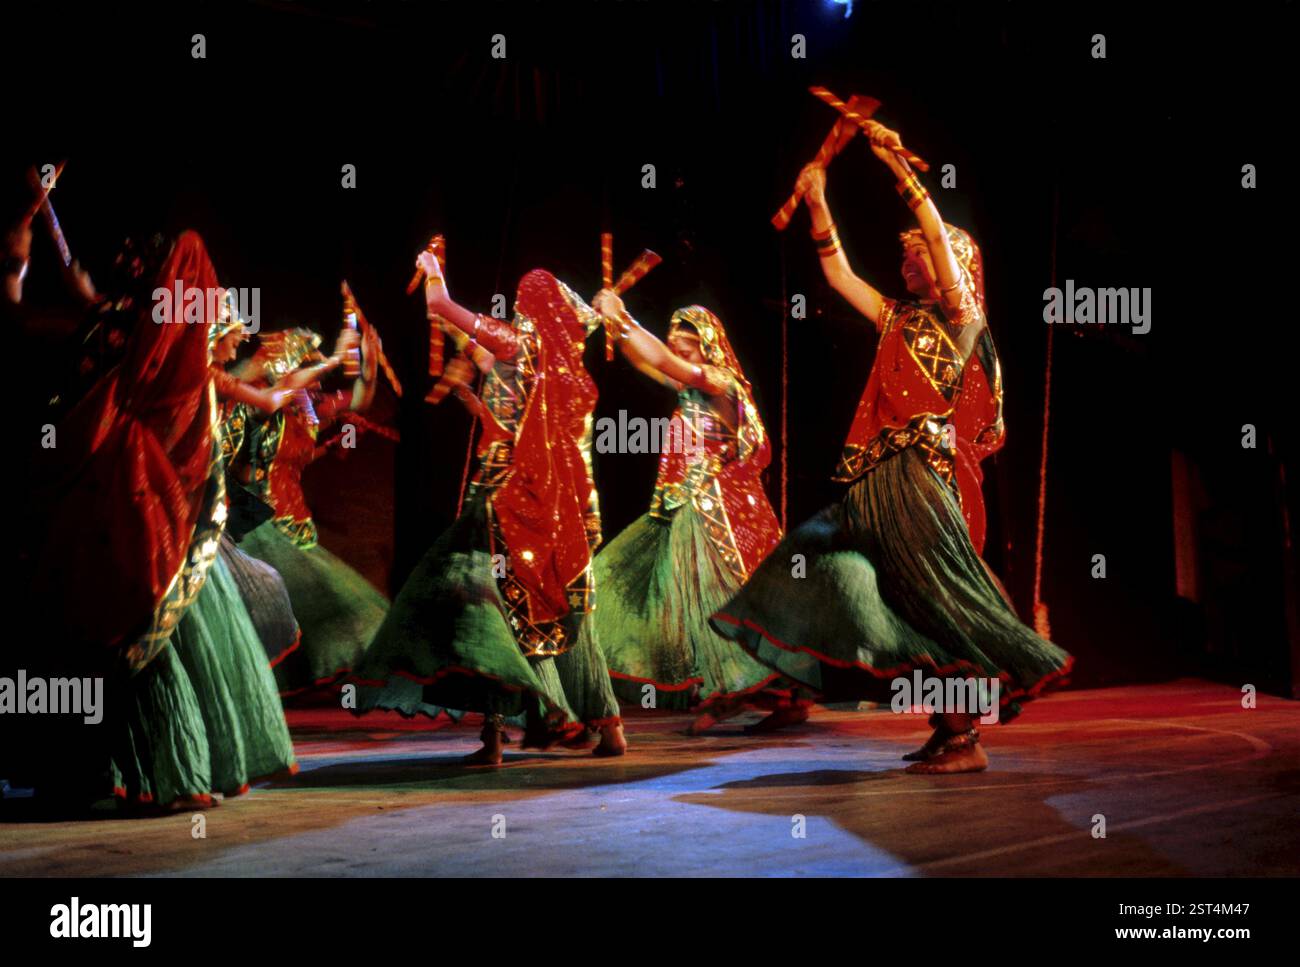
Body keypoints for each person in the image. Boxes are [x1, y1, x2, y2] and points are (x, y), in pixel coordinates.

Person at [711, 125, 1072, 773]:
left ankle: (964, 738)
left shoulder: (963, 321)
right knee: (881, 588)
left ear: (953, 269)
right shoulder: (897, 318)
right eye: (905, 255)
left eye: (920, 255)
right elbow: (837, 272)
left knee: (934, 600)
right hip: (883, 475)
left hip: (931, 480)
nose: (908, 260)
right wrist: (819, 202)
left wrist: (896, 171)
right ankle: (945, 726)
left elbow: (937, 233)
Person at [350, 251, 626, 764]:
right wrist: (476, 401)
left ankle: (502, 736)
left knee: (492, 615)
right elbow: (500, 393)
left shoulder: (515, 342)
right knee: (559, 612)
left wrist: (433, 267)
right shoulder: (556, 360)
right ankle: (606, 727)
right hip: (551, 503)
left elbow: (440, 304)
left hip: (504, 499)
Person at [583, 297, 813, 733]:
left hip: (722, 512)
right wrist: (613, 323)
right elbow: (647, 360)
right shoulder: (690, 387)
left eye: (684, 346)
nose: (675, 350)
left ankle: (738, 694)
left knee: (722, 598)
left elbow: (668, 361)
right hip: (687, 505)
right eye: (672, 343)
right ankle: (761, 693)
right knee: (669, 593)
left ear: (706, 346)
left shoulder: (721, 381)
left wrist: (624, 317)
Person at [232, 323, 390, 694]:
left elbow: (359, 399)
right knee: (266, 613)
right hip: (259, 525)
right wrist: (336, 356)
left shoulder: (310, 408)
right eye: (310, 366)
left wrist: (369, 365)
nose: (319, 378)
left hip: (296, 523)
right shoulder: (261, 402)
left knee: (314, 606)